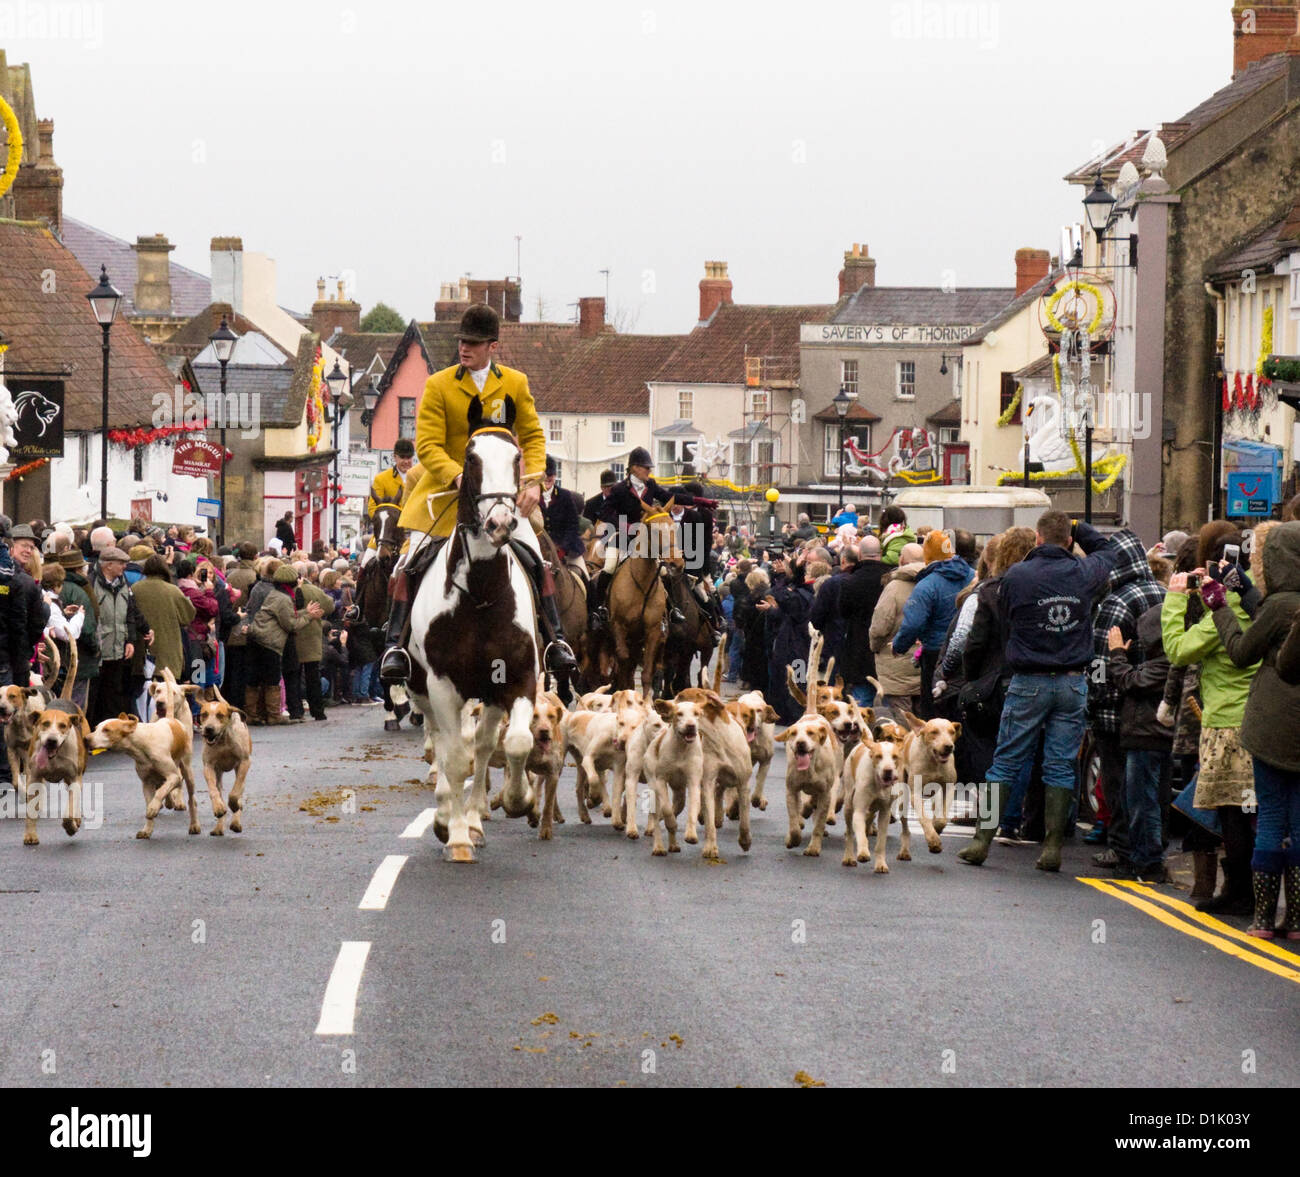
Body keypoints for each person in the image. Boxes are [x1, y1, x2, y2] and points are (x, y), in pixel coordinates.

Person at [384, 303, 577, 683]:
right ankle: (395, 646)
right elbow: (427, 444)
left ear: (492, 345)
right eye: (461, 341)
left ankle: (556, 641)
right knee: (411, 561)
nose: (464, 348)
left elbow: (534, 437)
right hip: (447, 493)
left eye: (473, 343)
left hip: (502, 494)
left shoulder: (515, 383)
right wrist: (457, 476)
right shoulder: (439, 384)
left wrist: (534, 481)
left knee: (537, 558)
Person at [959, 511, 1119, 871]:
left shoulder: (1016, 576)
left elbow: (1007, 620)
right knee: (1060, 765)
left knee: (1005, 762)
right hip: (1071, 680)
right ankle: (1051, 848)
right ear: (1068, 540)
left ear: (1037, 538)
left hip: (1028, 678)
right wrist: (1080, 529)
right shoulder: (1084, 573)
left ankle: (981, 841)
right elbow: (1110, 552)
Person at [1201, 520, 1300, 937]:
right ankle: (1295, 919)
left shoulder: (1281, 606)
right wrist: (1245, 588)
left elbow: (1242, 652)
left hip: (1271, 726)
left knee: (1272, 818)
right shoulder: (1283, 606)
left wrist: (1220, 606)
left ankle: (1261, 919)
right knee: (1298, 824)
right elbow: (1275, 619)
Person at [1161, 531, 1258, 914]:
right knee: (1253, 811)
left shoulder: (1225, 610)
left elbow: (1178, 651)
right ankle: (1255, 893)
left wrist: (1175, 596)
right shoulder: (1260, 605)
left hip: (1225, 725)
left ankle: (1239, 892)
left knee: (1231, 812)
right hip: (1259, 720)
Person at [1087, 523, 1166, 875]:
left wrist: (1095, 699)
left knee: (1118, 783)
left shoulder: (1116, 602)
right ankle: (1152, 846)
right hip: (1160, 707)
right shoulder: (1163, 592)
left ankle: (1122, 848)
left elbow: (1101, 662)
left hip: (1118, 709)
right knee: (1154, 787)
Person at [587, 447, 716, 632]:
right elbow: (605, 512)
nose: (649, 470)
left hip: (647, 540)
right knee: (608, 567)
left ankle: (672, 610)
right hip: (623, 536)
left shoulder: (651, 485)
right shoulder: (618, 489)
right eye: (646, 467)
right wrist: (625, 526)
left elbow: (671, 496)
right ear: (634, 468)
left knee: (665, 573)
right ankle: (599, 610)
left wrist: (699, 501)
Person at [1106, 603, 1174, 883]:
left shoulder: (1165, 664)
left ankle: (1149, 861)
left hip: (1148, 739)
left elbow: (1131, 682)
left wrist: (1118, 655)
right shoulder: (1161, 661)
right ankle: (1142, 857)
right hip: (1145, 739)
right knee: (1137, 800)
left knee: (1143, 803)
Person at [891, 529, 974, 719]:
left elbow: (913, 623)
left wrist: (899, 645)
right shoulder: (973, 576)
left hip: (936, 654)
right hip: (971, 652)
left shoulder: (927, 585)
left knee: (934, 710)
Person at [250, 564, 324, 725]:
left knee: (258, 679)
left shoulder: (277, 594)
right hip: (269, 641)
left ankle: (257, 713)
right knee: (271, 678)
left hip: (261, 637)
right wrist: (309, 617)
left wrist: (306, 612)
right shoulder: (284, 598)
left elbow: (288, 616)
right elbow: (291, 624)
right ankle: (272, 715)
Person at [88, 547, 150, 725]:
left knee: (114, 692)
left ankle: (111, 730)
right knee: (95, 693)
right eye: (121, 563)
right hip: (98, 648)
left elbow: (130, 612)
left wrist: (131, 639)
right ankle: (92, 731)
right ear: (108, 565)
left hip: (118, 647)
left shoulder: (123, 583)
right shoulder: (91, 583)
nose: (125, 566)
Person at [869, 542, 925, 721]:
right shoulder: (933, 583)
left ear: (901, 559)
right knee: (922, 721)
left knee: (902, 720)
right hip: (924, 661)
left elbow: (880, 626)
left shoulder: (893, 587)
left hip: (896, 662)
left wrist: (875, 646)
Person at [131, 554, 196, 688]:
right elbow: (188, 617)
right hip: (168, 655)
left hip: (140, 652)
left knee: (141, 698)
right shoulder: (173, 591)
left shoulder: (135, 589)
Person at [295, 570, 336, 722]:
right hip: (311, 636)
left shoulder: (287, 591)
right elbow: (330, 606)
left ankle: (297, 709)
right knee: (313, 676)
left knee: (294, 676)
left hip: (293, 638)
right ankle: (318, 710)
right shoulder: (313, 590)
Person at [367, 439, 415, 552]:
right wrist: (387, 523)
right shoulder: (381, 478)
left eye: (409, 458)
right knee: (366, 561)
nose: (406, 461)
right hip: (387, 534)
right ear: (395, 457)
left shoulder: (420, 477)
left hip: (413, 530)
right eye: (402, 457)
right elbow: (372, 508)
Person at [540, 454, 584, 576]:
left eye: (550, 475)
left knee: (582, 574)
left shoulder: (565, 496)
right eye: (544, 475)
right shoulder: (532, 497)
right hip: (539, 549)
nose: (547, 478)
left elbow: (573, 525)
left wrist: (562, 548)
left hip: (567, 549)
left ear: (555, 476)